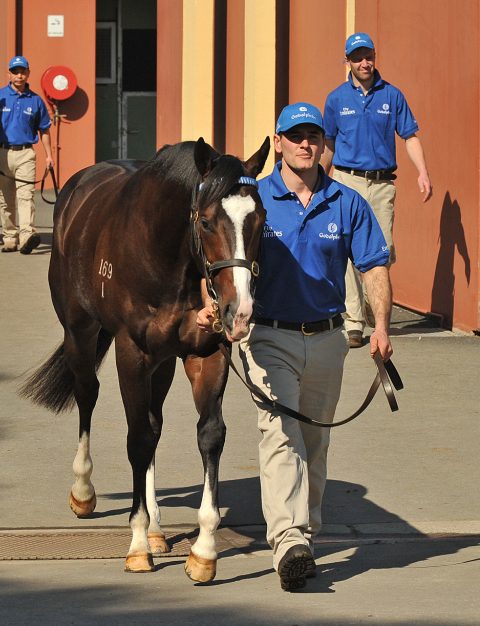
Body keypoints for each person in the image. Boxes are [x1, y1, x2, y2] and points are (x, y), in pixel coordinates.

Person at [197, 103, 393, 592]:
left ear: (323, 143)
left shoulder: (347, 202)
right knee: (281, 433)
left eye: (313, 136)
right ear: (279, 142)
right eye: (295, 136)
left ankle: (305, 534)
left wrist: (381, 327)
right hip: (269, 336)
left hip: (328, 338)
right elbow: (217, 249)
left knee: (314, 441)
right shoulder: (253, 197)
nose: (305, 144)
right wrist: (210, 304)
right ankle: (288, 543)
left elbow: (373, 266)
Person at [321, 32, 432, 348]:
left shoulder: (392, 96)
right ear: (347, 61)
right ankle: (353, 323)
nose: (364, 63)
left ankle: (374, 302)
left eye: (368, 57)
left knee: (381, 251)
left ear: (374, 57)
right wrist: (317, 180)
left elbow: (410, 136)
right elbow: (328, 143)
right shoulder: (336, 99)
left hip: (382, 184)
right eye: (357, 58)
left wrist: (423, 172)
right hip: (346, 180)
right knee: (344, 250)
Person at [0, 55, 54, 254]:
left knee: (26, 196)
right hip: (3, 153)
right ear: (9, 74)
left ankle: (26, 237)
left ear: (28, 73)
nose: (19, 76)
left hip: (26, 154)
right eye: (15, 72)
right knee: (6, 198)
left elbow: (44, 130)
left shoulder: (36, 101)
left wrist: (49, 156)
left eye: (22, 72)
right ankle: (9, 237)